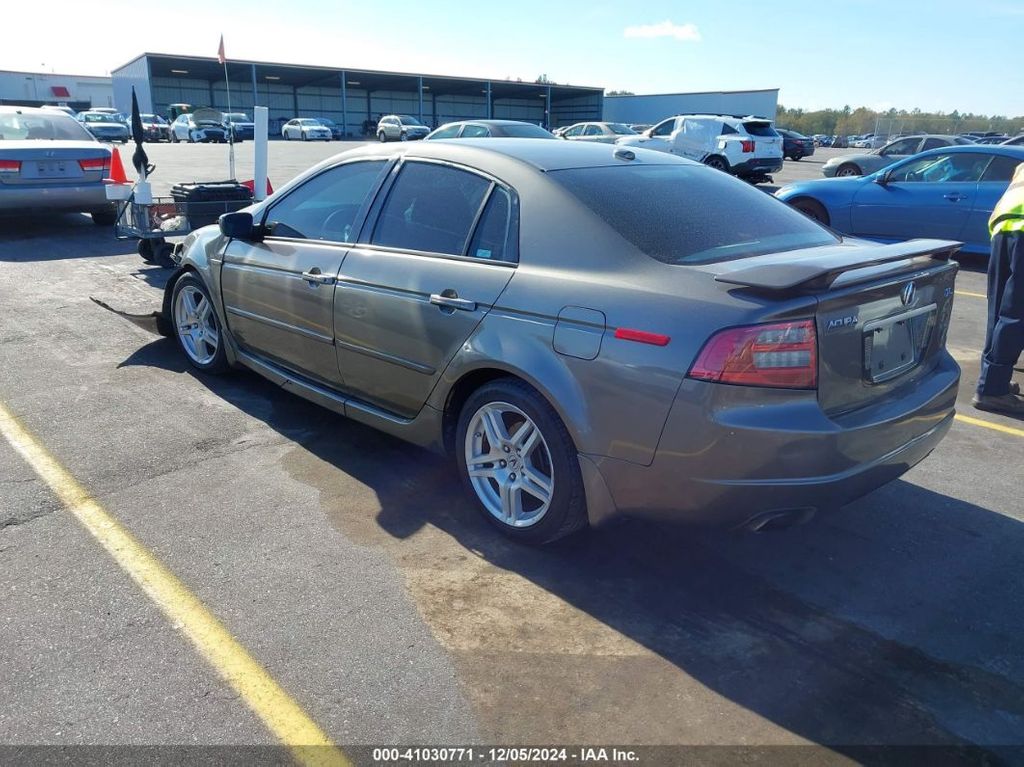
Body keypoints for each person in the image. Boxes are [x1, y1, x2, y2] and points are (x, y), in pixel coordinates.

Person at [973, 161, 1024, 414]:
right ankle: (992, 390)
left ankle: (993, 379)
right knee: (1016, 315)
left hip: (1004, 229)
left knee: (1000, 312)